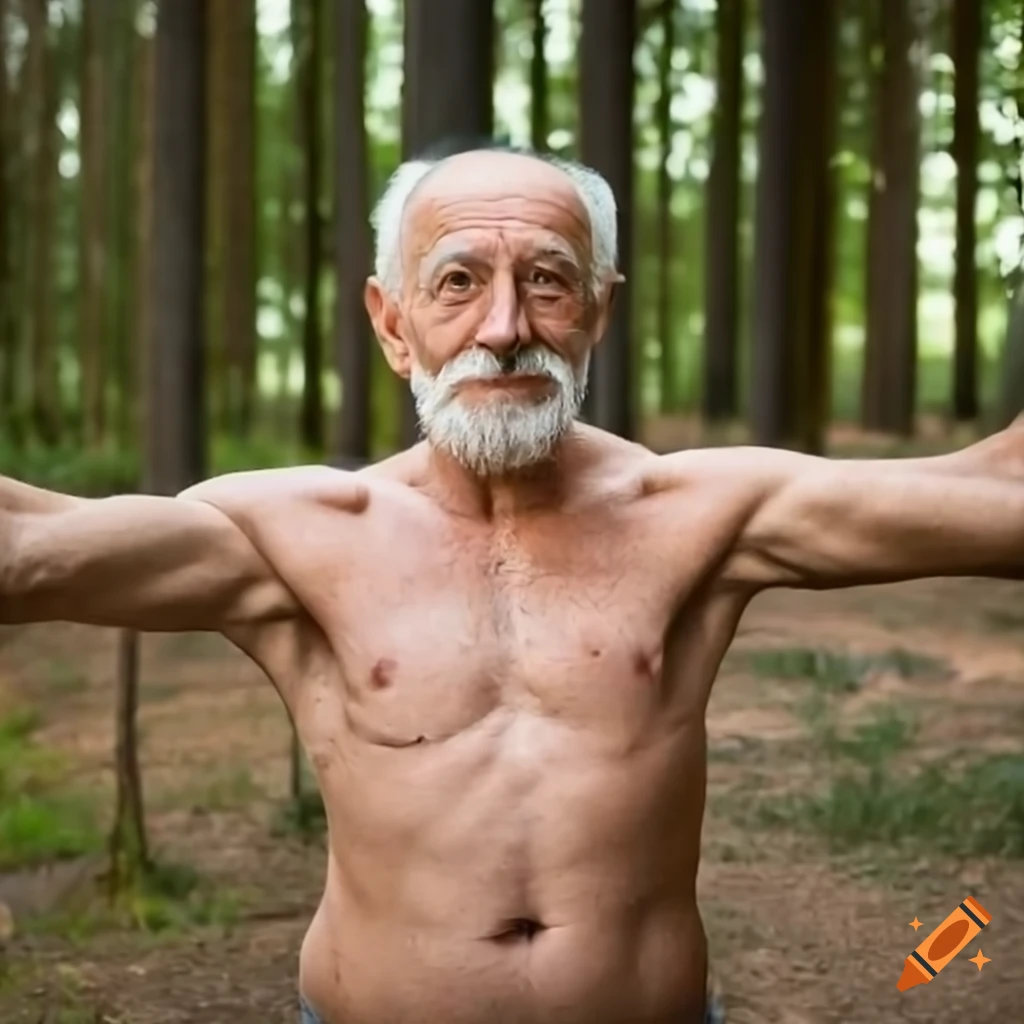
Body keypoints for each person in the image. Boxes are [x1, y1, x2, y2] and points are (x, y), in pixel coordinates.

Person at [2, 145, 1023, 1024]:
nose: (503, 327)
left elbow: (998, 494)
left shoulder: (701, 513)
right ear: (393, 322)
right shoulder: (289, 534)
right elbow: (29, 547)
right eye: (456, 282)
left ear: (597, 314)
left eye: (547, 280)